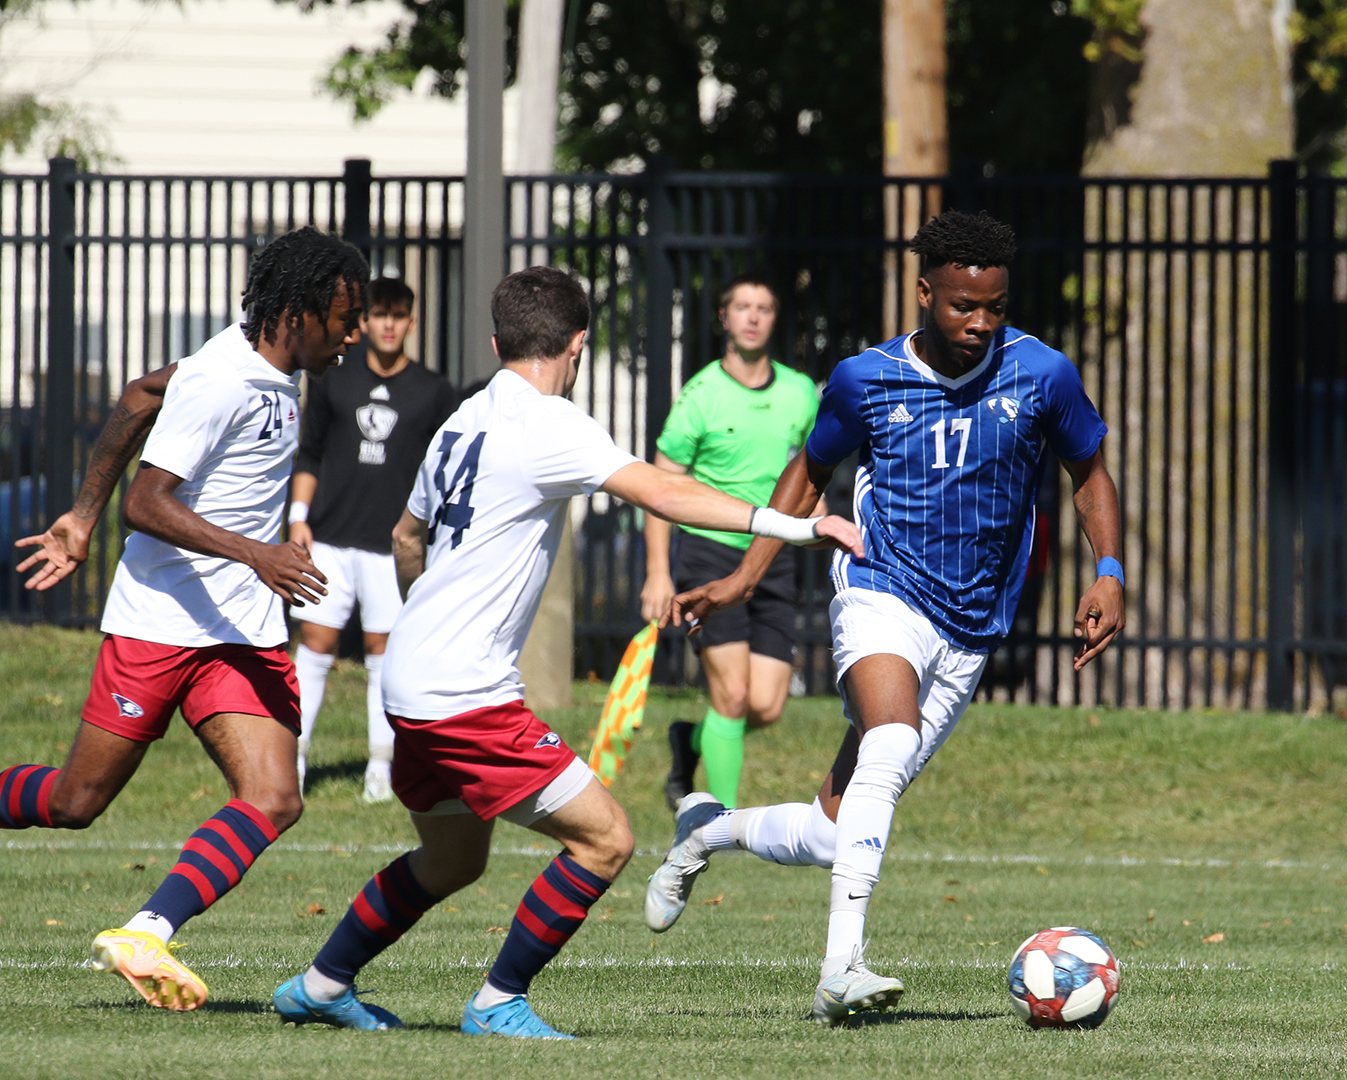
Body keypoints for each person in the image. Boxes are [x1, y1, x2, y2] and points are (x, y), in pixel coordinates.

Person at [270, 266, 861, 1039]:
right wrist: (798, 526)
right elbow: (662, 492)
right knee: (607, 838)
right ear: (577, 344)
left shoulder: (462, 417)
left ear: (497, 344)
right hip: (463, 695)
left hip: (410, 680)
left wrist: (430, 616)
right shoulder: (551, 424)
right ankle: (497, 1001)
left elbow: (405, 537)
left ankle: (321, 984)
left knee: (451, 861)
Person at [642, 211, 1125, 1024]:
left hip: (970, 629)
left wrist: (1109, 571)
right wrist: (743, 577)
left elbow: (1090, 472)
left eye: (996, 308)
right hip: (881, 589)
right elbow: (808, 473)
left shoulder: (1044, 374)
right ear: (925, 292)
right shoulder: (864, 379)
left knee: (834, 832)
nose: (980, 324)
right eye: (963, 306)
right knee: (890, 741)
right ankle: (841, 970)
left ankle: (705, 831)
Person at [2, 227, 365, 1010]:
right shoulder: (222, 380)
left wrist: (79, 516)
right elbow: (147, 501)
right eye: (345, 317)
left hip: (237, 633)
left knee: (275, 796)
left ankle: (146, 932)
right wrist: (254, 553)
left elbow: (140, 393)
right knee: (75, 803)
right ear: (300, 312)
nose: (354, 333)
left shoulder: (261, 367)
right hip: (161, 624)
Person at [641, 271, 821, 812]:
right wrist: (658, 571)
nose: (752, 317)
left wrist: (819, 522)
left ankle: (689, 740)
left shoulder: (800, 393)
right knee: (734, 695)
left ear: (774, 319)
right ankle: (718, 822)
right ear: (724, 317)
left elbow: (812, 472)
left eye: (763, 307)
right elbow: (660, 487)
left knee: (764, 705)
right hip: (710, 554)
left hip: (773, 555)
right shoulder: (701, 395)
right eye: (742, 306)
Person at [288, 276, 457, 801]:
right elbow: (310, 452)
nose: (388, 325)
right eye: (379, 315)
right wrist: (298, 518)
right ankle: (293, 757)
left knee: (383, 652)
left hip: (391, 546)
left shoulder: (433, 391)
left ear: (411, 322)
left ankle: (381, 766)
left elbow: (441, 471)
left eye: (398, 316)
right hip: (330, 538)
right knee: (315, 643)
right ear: (364, 322)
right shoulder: (334, 378)